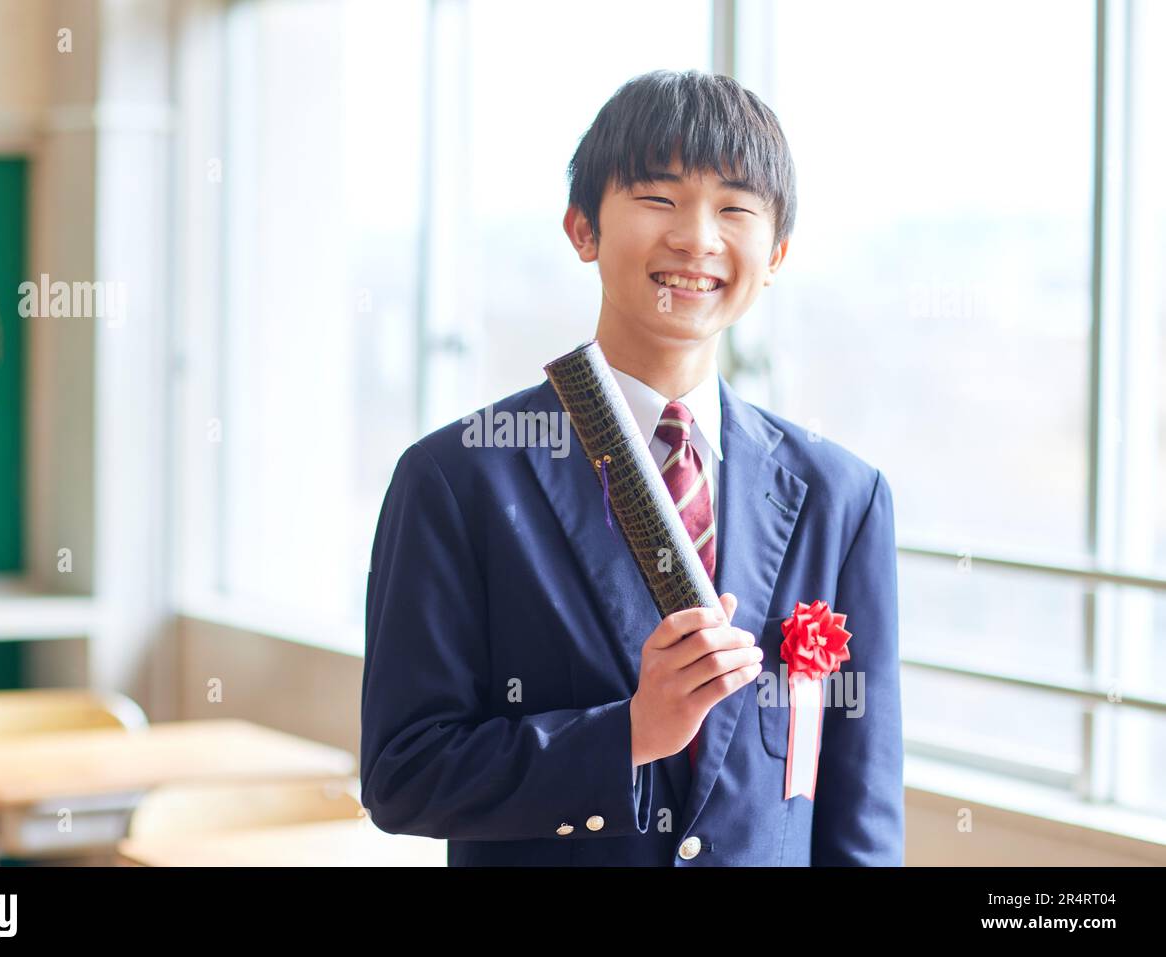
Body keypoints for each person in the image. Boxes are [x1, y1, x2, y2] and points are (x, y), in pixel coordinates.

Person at [360, 69, 904, 866]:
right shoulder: (458, 478)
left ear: (777, 251)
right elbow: (403, 776)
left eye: (735, 208)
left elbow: (860, 814)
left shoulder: (842, 497)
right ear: (583, 229)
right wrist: (627, 735)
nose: (696, 238)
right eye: (659, 198)